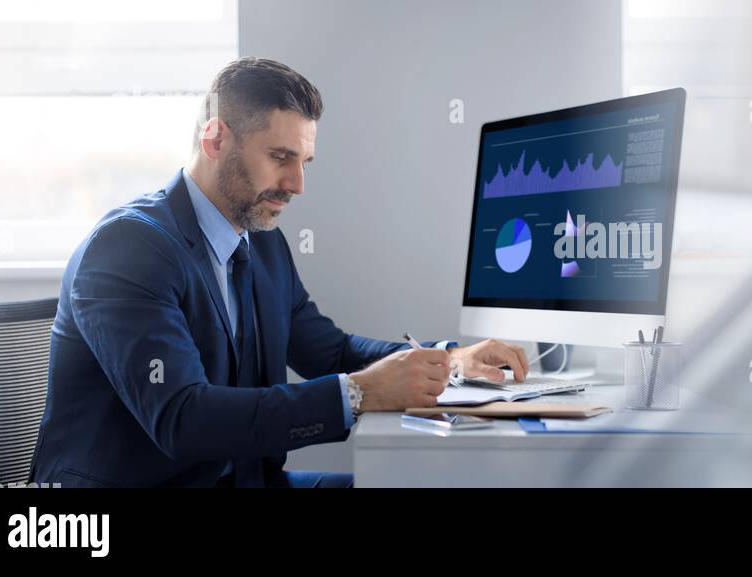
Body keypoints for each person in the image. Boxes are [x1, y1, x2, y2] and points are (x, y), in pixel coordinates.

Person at [31, 57, 529, 488]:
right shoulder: (128, 248)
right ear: (215, 139)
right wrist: (359, 394)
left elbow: (329, 351)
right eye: (280, 158)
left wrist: (449, 359)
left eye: (305, 161)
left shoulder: (263, 242)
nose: (297, 184)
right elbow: (182, 418)